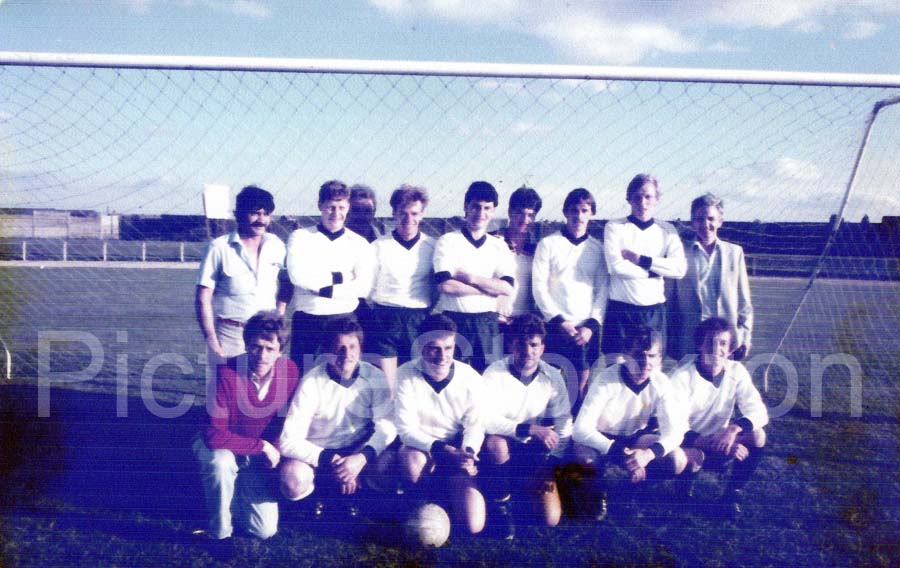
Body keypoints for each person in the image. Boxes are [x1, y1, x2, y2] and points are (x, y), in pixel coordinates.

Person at [193, 311, 299, 547]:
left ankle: (227, 494)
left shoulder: (290, 372)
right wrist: (262, 446)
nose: (262, 355)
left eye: (270, 349)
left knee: (264, 530)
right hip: (220, 445)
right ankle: (219, 533)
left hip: (254, 454)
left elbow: (286, 422)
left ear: (280, 350)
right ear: (246, 344)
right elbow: (213, 435)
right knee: (221, 463)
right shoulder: (227, 372)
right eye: (256, 346)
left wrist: (275, 448)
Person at [278, 317, 396, 518]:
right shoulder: (312, 382)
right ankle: (315, 497)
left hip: (356, 450)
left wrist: (361, 459)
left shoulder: (374, 376)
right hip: (319, 452)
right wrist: (331, 460)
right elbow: (288, 441)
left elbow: (387, 426)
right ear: (327, 351)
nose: (346, 354)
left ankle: (362, 496)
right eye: (338, 348)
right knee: (293, 479)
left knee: (390, 464)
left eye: (352, 347)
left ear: (361, 348)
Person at [572, 324, 687, 520]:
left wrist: (648, 455)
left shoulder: (662, 383)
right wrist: (619, 451)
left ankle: (631, 489)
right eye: (638, 355)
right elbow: (580, 430)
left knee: (677, 460)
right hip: (602, 438)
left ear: (660, 358)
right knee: (586, 458)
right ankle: (597, 492)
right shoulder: (606, 379)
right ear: (625, 354)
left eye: (651, 356)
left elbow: (675, 432)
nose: (645, 362)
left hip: (635, 439)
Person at [481, 313, 572, 539]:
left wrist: (553, 459)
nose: (527, 351)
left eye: (533, 345)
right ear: (511, 345)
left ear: (542, 347)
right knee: (496, 445)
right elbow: (484, 419)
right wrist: (527, 428)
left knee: (551, 519)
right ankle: (501, 504)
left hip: (533, 448)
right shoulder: (494, 373)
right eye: (521, 344)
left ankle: (524, 490)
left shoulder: (552, 375)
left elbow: (563, 420)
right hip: (502, 442)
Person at [395, 314, 487, 535]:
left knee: (473, 525)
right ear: (420, 346)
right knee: (411, 458)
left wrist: (468, 453)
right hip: (423, 450)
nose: (442, 356)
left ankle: (448, 496)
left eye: (448, 348)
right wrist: (441, 449)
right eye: (434, 349)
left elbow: (475, 425)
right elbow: (406, 431)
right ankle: (420, 504)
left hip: (457, 450)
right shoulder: (404, 374)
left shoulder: (470, 377)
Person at [669, 317, 768, 516]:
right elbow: (675, 428)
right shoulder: (681, 377)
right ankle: (683, 491)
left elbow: (759, 411)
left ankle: (731, 495)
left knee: (758, 436)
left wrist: (733, 430)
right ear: (699, 345)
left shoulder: (737, 371)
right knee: (684, 461)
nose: (716, 349)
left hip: (720, 439)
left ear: (730, 349)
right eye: (710, 342)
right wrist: (721, 444)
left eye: (723, 343)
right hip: (688, 442)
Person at [285, 180, 374, 370]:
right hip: (309, 318)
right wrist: (343, 278)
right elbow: (298, 276)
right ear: (320, 206)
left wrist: (320, 286)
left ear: (348, 207)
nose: (336, 213)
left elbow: (363, 287)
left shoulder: (359, 243)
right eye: (330, 207)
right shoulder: (300, 237)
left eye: (341, 207)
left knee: (342, 376)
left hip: (345, 319)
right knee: (305, 377)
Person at [532, 188, 608, 406]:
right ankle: (545, 432)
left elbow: (603, 289)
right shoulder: (548, 244)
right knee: (547, 386)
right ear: (565, 212)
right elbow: (539, 287)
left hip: (584, 330)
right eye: (574, 210)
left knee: (579, 388)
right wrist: (559, 321)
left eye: (585, 210)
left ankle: (576, 434)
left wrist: (591, 326)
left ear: (591, 213)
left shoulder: (598, 249)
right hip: (555, 327)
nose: (579, 216)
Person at [195, 185, 286, 359]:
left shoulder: (277, 246)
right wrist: (212, 339)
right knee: (228, 386)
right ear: (238, 214)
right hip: (230, 336)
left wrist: (280, 313)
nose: (261, 219)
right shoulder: (218, 248)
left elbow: (286, 284)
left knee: (263, 387)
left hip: (267, 336)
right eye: (255, 213)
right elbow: (203, 297)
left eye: (266, 214)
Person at [433, 181, 516, 372]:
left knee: (488, 378)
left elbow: (507, 288)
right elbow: (445, 285)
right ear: (466, 207)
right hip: (454, 320)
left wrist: (470, 278)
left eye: (487, 208)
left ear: (494, 210)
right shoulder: (448, 241)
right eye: (476, 207)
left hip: (487, 323)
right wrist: (489, 289)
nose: (481, 213)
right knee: (452, 377)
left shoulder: (499, 246)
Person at [602, 174, 686, 363]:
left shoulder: (668, 230)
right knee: (616, 371)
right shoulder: (614, 227)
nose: (642, 201)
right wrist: (656, 271)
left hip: (653, 312)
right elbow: (616, 267)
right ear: (628, 198)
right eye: (637, 196)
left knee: (651, 370)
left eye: (648, 196)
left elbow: (679, 269)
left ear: (657, 199)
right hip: (621, 312)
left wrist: (641, 259)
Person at [367, 184, 436, 395]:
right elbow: (368, 288)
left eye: (414, 213)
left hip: (419, 319)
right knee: (387, 388)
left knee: (415, 386)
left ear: (422, 213)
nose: (408, 219)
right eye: (402, 213)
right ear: (394, 212)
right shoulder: (378, 246)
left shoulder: (433, 246)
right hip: (385, 318)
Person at [668, 193, 753, 362]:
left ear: (720, 221)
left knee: (721, 386)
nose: (705, 224)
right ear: (692, 222)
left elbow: (744, 302)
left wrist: (745, 335)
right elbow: (670, 302)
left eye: (710, 219)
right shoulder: (678, 252)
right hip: (689, 340)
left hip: (725, 340)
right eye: (699, 219)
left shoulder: (734, 253)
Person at [494, 186, 542, 326]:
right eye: (519, 213)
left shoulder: (538, 248)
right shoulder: (493, 241)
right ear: (509, 212)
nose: (525, 219)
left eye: (530, 215)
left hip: (523, 323)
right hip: (494, 319)